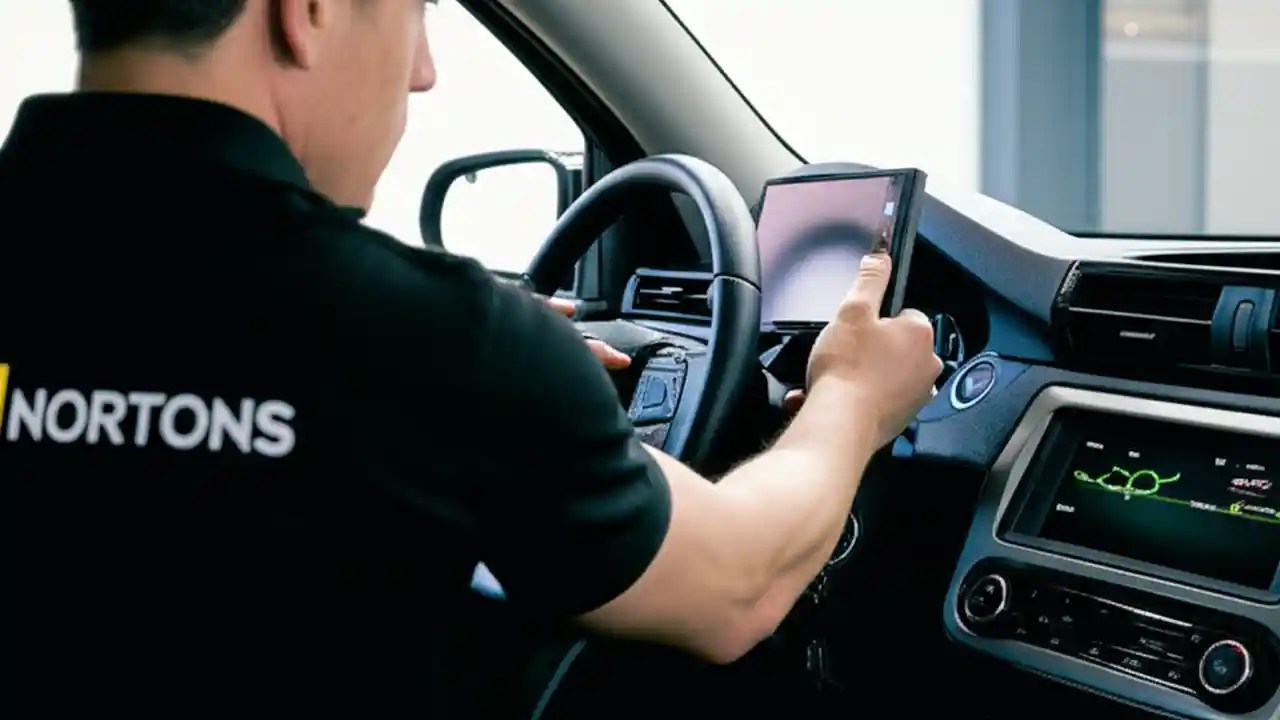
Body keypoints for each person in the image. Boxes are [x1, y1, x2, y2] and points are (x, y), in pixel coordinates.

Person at [0, 0, 942, 715]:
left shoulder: (441, 352)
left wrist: (493, 387)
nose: (422, 73)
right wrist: (852, 398)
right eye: (415, 15)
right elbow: (741, 586)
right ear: (309, 10)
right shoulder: (436, 343)